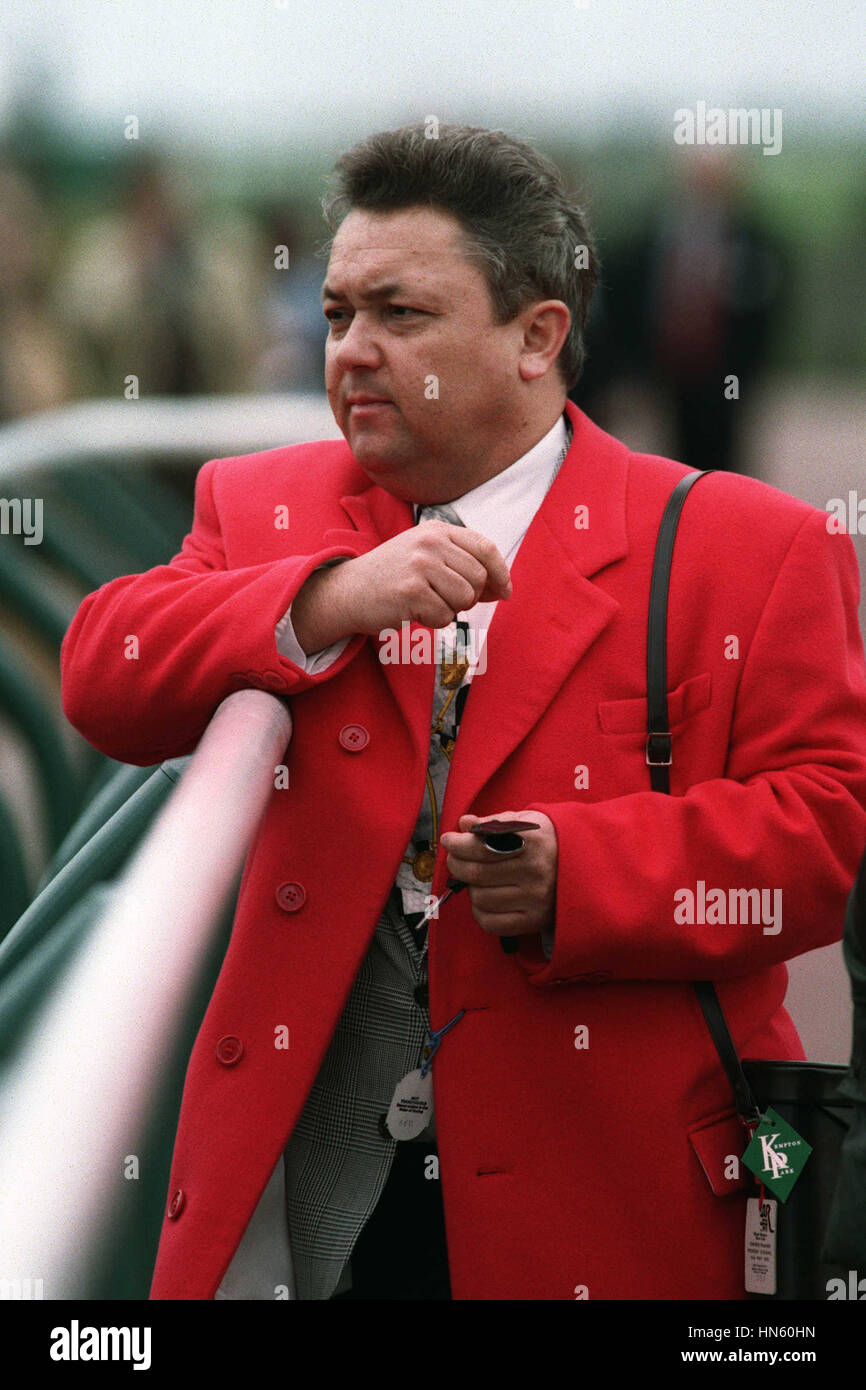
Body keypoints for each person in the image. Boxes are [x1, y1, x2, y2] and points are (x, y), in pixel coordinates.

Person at [60, 123, 866, 1301]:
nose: (351, 352)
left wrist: (583, 875)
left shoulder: (750, 547)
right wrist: (324, 597)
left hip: (610, 1201)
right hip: (313, 1206)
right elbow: (102, 674)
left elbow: (823, 840)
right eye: (336, 316)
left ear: (537, 336)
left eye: (401, 315)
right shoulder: (260, 502)